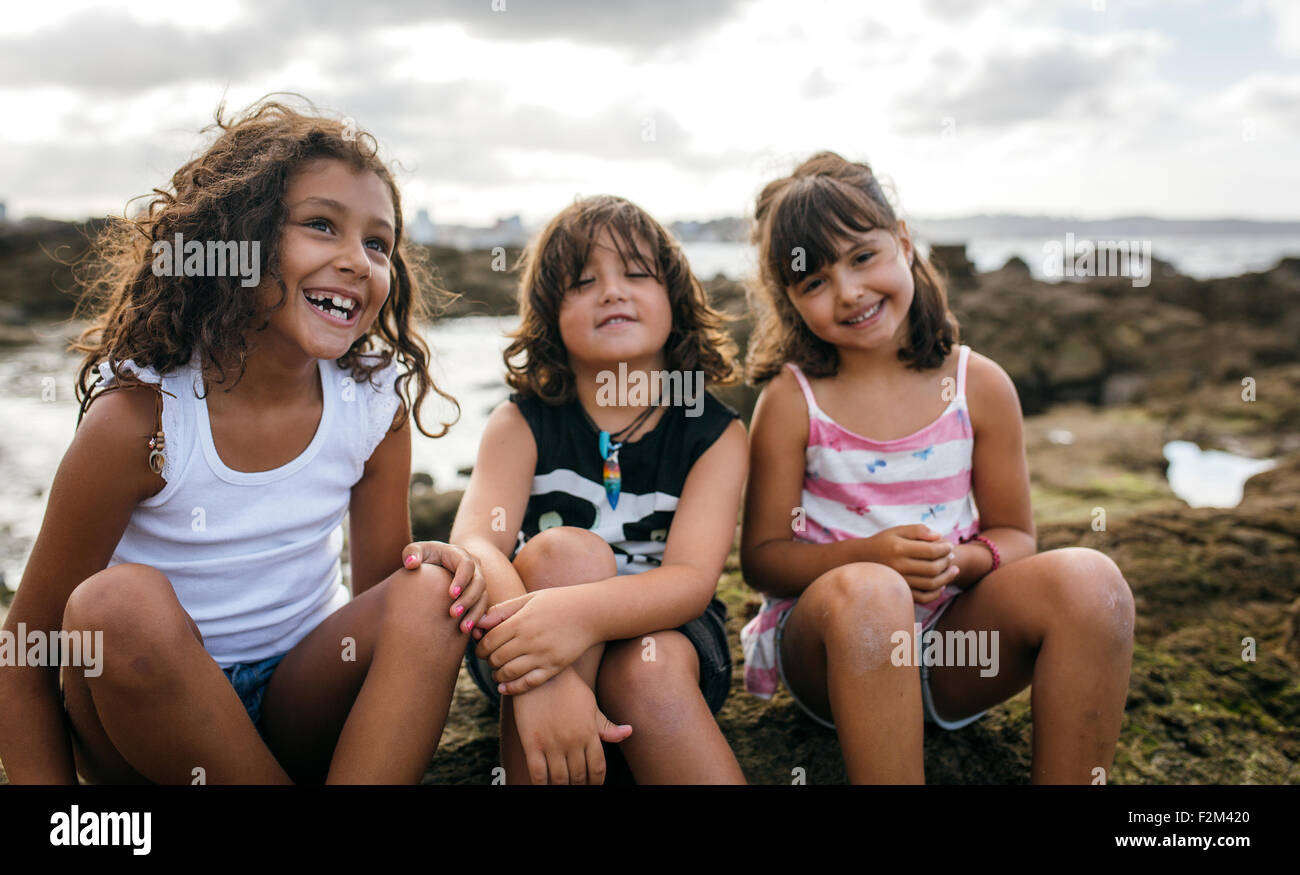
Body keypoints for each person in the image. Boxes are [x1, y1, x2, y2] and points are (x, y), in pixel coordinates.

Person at [0, 98, 486, 784]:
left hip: (301, 705)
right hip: (150, 725)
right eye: (322, 225)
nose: (358, 260)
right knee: (113, 606)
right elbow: (24, 647)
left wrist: (431, 567)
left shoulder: (373, 406)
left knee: (434, 589)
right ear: (242, 240)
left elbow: (384, 605)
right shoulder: (143, 417)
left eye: (378, 243)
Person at [738, 152, 1134, 783]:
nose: (849, 292)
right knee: (873, 590)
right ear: (789, 300)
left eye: (862, 257)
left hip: (955, 652)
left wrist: (960, 561)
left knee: (1094, 582)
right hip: (835, 656)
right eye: (814, 282)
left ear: (903, 242)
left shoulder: (979, 383)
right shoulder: (792, 401)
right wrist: (866, 557)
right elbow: (762, 557)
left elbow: (1015, 536)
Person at [439, 195, 747, 784]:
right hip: (522, 627)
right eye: (583, 282)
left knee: (646, 672)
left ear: (675, 301)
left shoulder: (715, 433)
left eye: (636, 274)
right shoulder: (522, 422)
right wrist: (545, 660)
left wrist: (576, 617)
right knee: (565, 552)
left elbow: (689, 582)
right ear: (550, 315)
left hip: (664, 635)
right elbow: (476, 543)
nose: (612, 291)